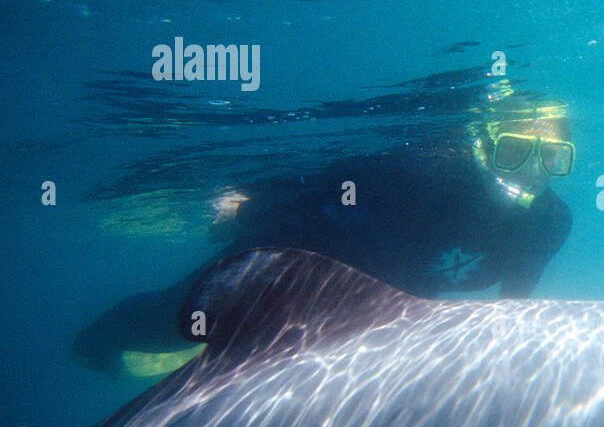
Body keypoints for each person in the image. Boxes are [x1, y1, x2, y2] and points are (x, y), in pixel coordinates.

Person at [74, 95, 574, 377]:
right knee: (162, 322)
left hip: (373, 311)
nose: (534, 170)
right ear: (483, 143)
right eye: (515, 151)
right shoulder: (420, 169)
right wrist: (246, 208)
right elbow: (322, 187)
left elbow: (512, 313)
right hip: (291, 255)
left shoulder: (548, 224)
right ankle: (113, 353)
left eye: (554, 158)